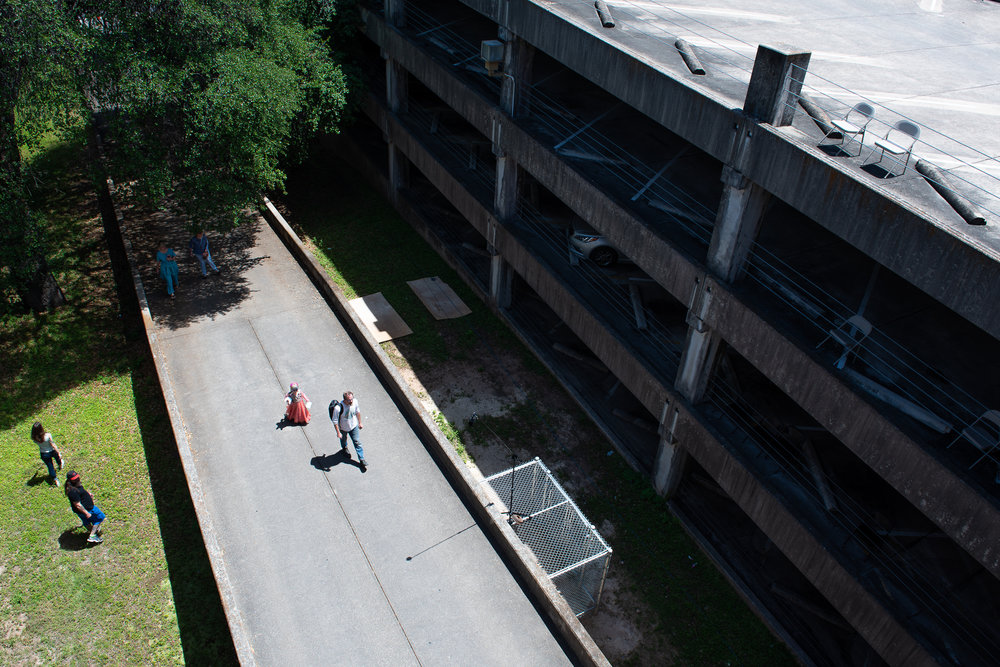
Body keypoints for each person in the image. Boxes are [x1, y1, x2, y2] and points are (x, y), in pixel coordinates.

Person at [65, 471, 106, 544]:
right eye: (75, 479)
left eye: (77, 477)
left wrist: (87, 494)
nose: (77, 479)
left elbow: (81, 492)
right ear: (71, 480)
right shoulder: (72, 491)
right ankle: (92, 535)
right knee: (100, 517)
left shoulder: (76, 485)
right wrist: (86, 513)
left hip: (81, 511)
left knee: (86, 521)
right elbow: (77, 504)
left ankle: (92, 531)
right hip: (88, 509)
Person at [332, 391, 366, 469]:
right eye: (349, 400)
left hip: (353, 426)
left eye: (352, 399)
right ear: (344, 400)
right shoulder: (338, 408)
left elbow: (358, 412)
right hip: (343, 428)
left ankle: (361, 459)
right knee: (344, 440)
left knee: (357, 441)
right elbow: (335, 421)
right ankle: (345, 448)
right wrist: (338, 432)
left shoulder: (355, 402)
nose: (351, 401)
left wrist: (360, 422)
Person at [31, 421, 63, 485]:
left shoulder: (34, 438)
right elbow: (53, 444)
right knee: (57, 458)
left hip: (44, 453)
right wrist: (59, 452)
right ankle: (60, 465)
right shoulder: (47, 435)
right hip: (52, 451)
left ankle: (55, 479)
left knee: (50, 466)